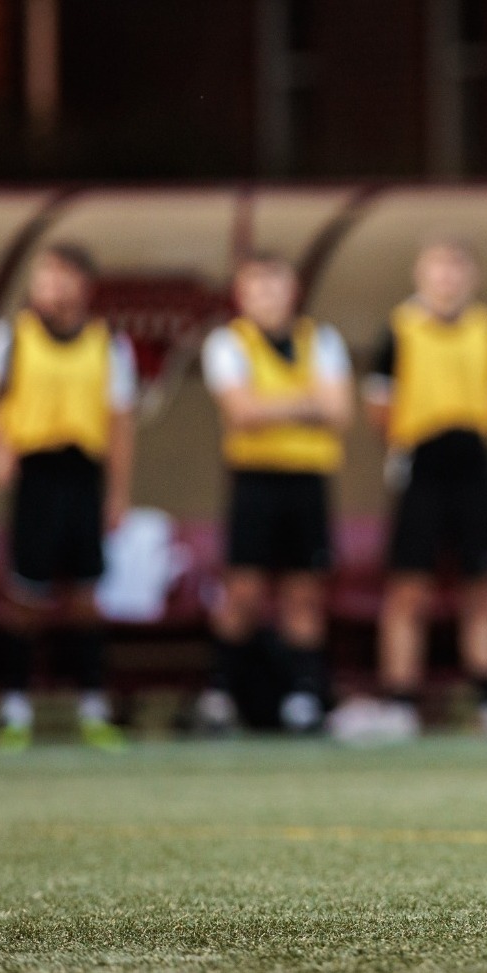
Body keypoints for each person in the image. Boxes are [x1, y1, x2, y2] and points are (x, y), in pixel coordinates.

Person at [345, 240, 487, 744]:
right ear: (420, 276)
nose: (447, 279)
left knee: (483, 584)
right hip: (422, 464)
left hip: (474, 463)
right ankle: (401, 702)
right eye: (437, 269)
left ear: (472, 276)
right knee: (409, 587)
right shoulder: (399, 328)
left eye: (456, 269)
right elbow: (379, 405)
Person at [0, 244, 136, 752]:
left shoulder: (109, 343)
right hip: (36, 473)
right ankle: (15, 708)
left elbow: (120, 423)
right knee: (25, 596)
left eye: (62, 276)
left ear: (84, 284)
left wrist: (118, 494)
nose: (51, 286)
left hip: (83, 473)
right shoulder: (10, 336)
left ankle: (93, 706)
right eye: (44, 276)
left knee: (87, 596)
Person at [198, 253, 352, 735]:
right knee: (243, 591)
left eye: (275, 285)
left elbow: (339, 410)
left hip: (307, 479)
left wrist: (272, 406)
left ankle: (305, 695)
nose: (266, 297)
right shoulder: (228, 343)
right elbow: (242, 412)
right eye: (256, 288)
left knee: (303, 593)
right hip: (255, 480)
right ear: (241, 296)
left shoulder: (320, 339)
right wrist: (307, 402)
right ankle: (221, 692)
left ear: (293, 291)